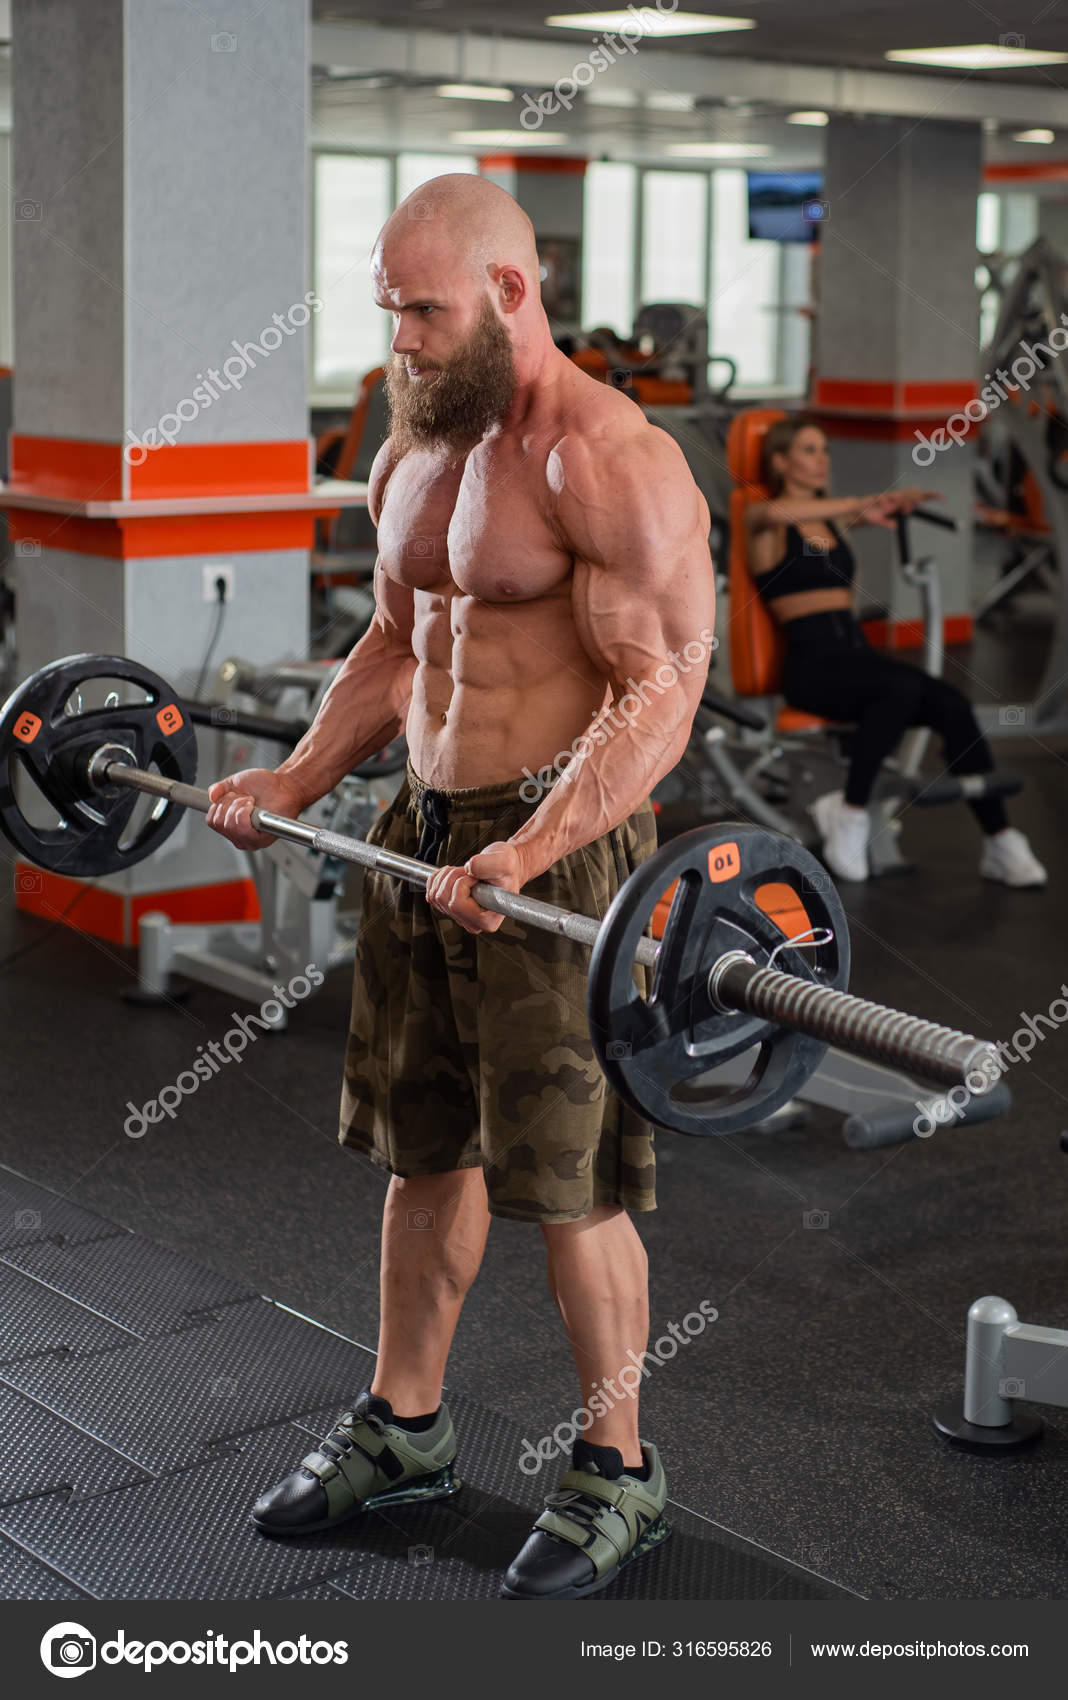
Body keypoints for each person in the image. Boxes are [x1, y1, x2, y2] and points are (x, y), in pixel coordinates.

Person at [204, 173, 716, 1600]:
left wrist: (532, 845)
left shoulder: (606, 456)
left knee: (572, 1184)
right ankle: (406, 1425)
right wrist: (301, 781)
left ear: (509, 292)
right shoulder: (414, 448)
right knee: (424, 1152)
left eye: (423, 311)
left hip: (550, 857)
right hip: (424, 835)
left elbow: (663, 687)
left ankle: (619, 1466)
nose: (402, 341)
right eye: (388, 310)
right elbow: (390, 643)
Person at [745, 417, 1046, 886]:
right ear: (780, 461)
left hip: (856, 658)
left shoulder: (833, 521)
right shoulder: (760, 516)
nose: (822, 459)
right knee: (898, 688)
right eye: (809, 450)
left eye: (825, 449)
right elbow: (779, 514)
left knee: (953, 705)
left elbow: (847, 523)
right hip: (812, 669)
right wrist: (866, 503)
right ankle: (851, 812)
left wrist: (882, 508)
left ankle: (1000, 840)